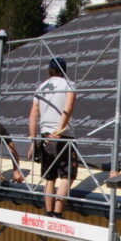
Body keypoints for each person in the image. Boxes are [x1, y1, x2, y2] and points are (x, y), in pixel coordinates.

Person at [28, 56, 76, 217]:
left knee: (50, 177)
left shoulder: (41, 87)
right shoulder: (68, 84)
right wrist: (60, 129)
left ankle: (48, 212)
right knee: (67, 175)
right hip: (63, 136)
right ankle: (58, 213)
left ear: (50, 70)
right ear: (64, 70)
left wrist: (33, 140)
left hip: (45, 137)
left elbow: (33, 115)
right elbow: (68, 107)